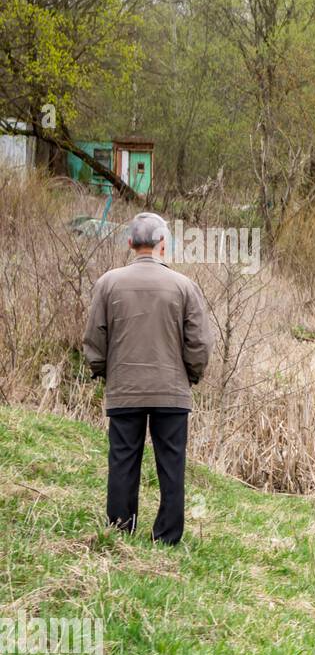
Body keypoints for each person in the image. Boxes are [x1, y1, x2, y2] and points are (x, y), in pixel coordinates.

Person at [83, 212, 214, 545]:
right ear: (163, 244)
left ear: (130, 243)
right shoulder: (184, 286)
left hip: (124, 388)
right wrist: (192, 374)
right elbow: (199, 342)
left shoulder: (108, 283)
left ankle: (119, 530)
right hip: (172, 391)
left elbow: (95, 337)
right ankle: (167, 537)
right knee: (171, 464)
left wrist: (101, 371)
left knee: (123, 459)